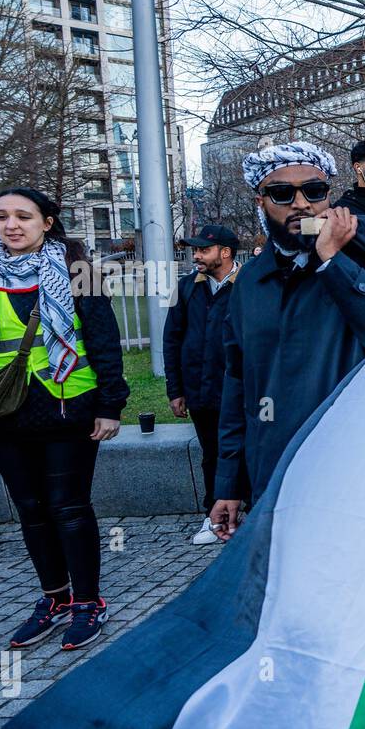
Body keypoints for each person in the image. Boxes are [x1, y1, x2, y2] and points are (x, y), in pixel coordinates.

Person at [0, 187, 129, 650]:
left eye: (23, 216)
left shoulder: (79, 273)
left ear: (46, 223)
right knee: (32, 510)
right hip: (0, 413)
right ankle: (54, 599)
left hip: (67, 407)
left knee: (68, 506)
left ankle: (89, 604)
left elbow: (103, 339)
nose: (11, 225)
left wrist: (110, 405)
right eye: (2, 217)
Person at [210, 141, 365, 539]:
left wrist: (333, 262)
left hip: (353, 471)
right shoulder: (249, 281)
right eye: (282, 193)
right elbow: (237, 384)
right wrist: (229, 484)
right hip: (274, 472)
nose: (301, 204)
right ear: (261, 201)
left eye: (315, 191)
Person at [164, 224, 240, 545]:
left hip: (239, 391)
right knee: (210, 454)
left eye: (203, 250)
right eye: (194, 250)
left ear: (225, 252)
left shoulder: (248, 285)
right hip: (200, 392)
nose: (195, 255)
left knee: (243, 452)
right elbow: (172, 339)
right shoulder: (185, 287)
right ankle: (214, 515)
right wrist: (175, 390)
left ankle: (246, 511)